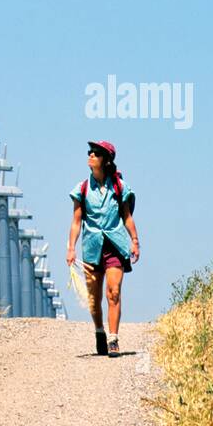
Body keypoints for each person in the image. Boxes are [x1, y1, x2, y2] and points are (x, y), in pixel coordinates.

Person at [66, 140, 139, 356]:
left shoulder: (119, 187)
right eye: (90, 152)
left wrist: (134, 240)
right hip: (91, 246)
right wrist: (71, 248)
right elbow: (76, 221)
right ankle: (99, 331)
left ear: (105, 160)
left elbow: (126, 216)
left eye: (95, 153)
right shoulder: (82, 188)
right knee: (94, 297)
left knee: (113, 292)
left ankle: (113, 339)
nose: (90, 155)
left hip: (115, 245)